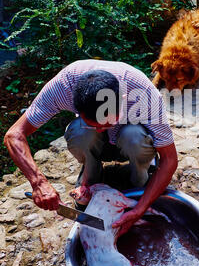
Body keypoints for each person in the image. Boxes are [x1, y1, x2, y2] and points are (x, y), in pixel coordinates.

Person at [4, 60, 178, 236]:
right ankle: (91, 179)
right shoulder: (64, 87)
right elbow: (14, 135)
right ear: (74, 104)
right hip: (98, 146)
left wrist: (139, 210)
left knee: (132, 136)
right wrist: (38, 183)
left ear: (123, 99)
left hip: (131, 142)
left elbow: (170, 159)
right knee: (79, 132)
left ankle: (139, 181)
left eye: (109, 121)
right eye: (94, 124)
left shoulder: (143, 94)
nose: (102, 129)